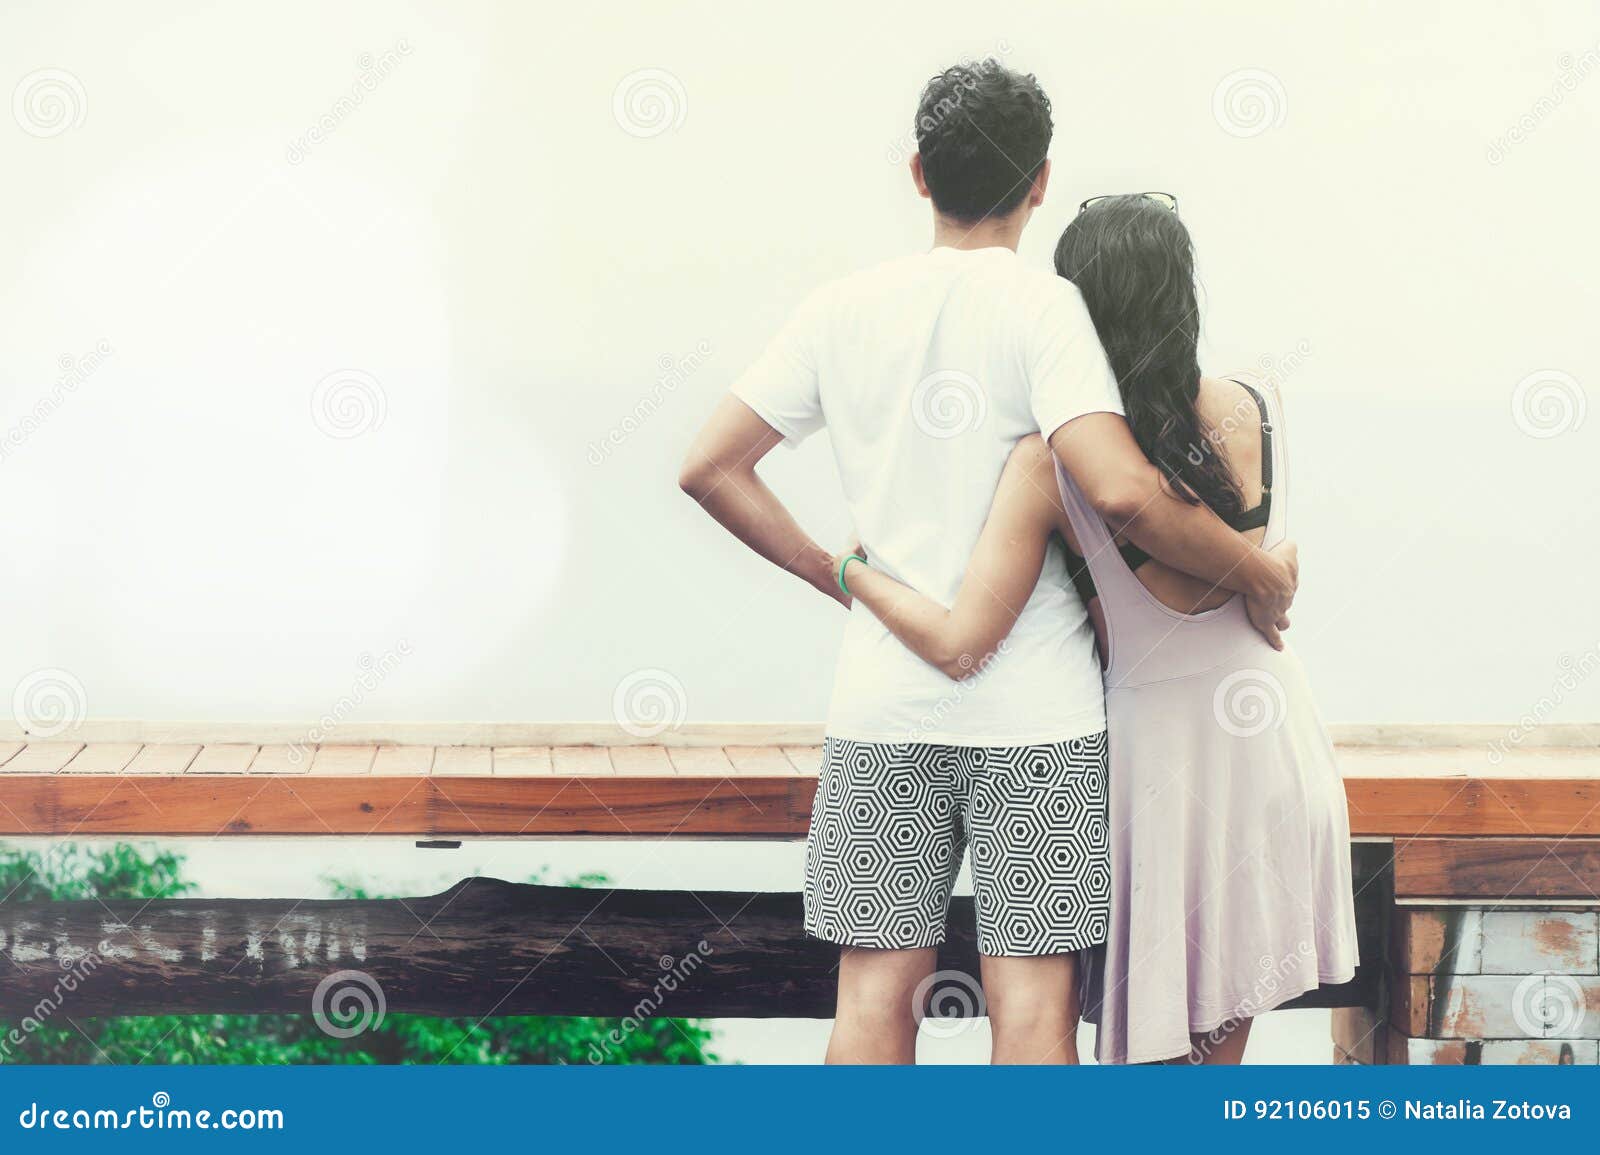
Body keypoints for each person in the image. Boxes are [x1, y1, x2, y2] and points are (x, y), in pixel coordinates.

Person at [678, 61, 1297, 1065]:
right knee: (1033, 1009)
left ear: (919, 173)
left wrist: (837, 572)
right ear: (1041, 182)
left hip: (882, 705)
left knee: (875, 999)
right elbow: (1122, 491)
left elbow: (710, 468)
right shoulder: (1047, 309)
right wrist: (1258, 570)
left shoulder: (840, 307)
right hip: (1038, 722)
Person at [834, 192, 1358, 1064]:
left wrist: (851, 570)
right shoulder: (1253, 401)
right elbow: (1230, 554)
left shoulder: (1050, 459)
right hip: (1271, 747)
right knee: (1216, 1053)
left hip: (1160, 766)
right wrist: (1268, 569)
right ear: (1180, 295)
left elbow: (968, 632)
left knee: (1153, 1068)